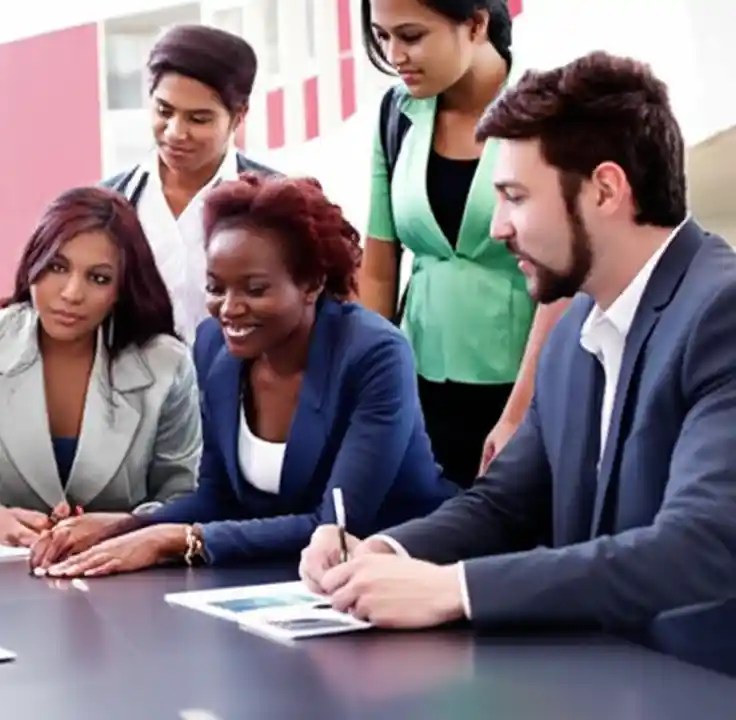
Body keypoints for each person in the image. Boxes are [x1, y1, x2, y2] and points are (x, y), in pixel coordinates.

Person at [299, 52, 736, 634]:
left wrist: (455, 589)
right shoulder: (575, 328)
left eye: (516, 196)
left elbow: (700, 547)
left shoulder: (720, 315)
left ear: (605, 189)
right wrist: (383, 553)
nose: (497, 226)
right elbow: (503, 504)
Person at [37, 174, 457, 577]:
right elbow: (217, 496)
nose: (229, 308)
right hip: (280, 577)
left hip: (401, 571)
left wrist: (179, 540)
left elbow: (339, 524)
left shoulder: (373, 353)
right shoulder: (214, 347)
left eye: (255, 290)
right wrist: (125, 526)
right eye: (216, 287)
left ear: (310, 284)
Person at [0, 187, 200, 546]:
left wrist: (121, 527)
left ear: (122, 290)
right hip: (6, 575)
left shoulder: (165, 364)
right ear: (34, 262)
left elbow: (186, 498)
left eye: (98, 278)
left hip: (129, 573)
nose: (71, 293)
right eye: (57, 267)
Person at [358, 0, 569, 487]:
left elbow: (566, 277)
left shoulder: (548, 112)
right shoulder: (396, 113)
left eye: (410, 36)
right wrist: (370, 388)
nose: (394, 55)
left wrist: (518, 413)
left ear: (475, 24)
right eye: (381, 37)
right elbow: (379, 266)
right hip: (419, 389)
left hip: (523, 390)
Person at [102, 23, 279, 345]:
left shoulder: (277, 204)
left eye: (198, 119)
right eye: (163, 111)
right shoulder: (108, 203)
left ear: (239, 116)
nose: (175, 132)